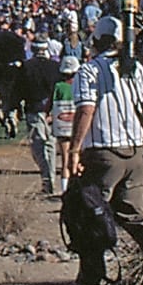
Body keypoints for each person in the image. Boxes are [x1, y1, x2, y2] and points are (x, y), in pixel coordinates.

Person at [65, 16, 143, 285]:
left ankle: (92, 274)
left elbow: (86, 109)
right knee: (134, 213)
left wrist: (74, 149)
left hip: (103, 152)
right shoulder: (136, 69)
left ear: (96, 41)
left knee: (89, 211)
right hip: (135, 153)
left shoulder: (89, 70)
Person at [17, 40, 64, 194]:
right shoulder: (55, 67)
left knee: (38, 146)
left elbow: (19, 89)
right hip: (53, 110)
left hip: (35, 109)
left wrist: (14, 107)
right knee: (50, 144)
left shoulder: (26, 66)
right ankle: (49, 178)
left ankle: (47, 178)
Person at [52, 55, 80, 196]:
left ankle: (65, 190)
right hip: (77, 126)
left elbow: (50, 104)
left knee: (65, 160)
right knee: (77, 157)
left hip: (62, 126)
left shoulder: (58, 86)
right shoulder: (80, 86)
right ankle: (76, 188)